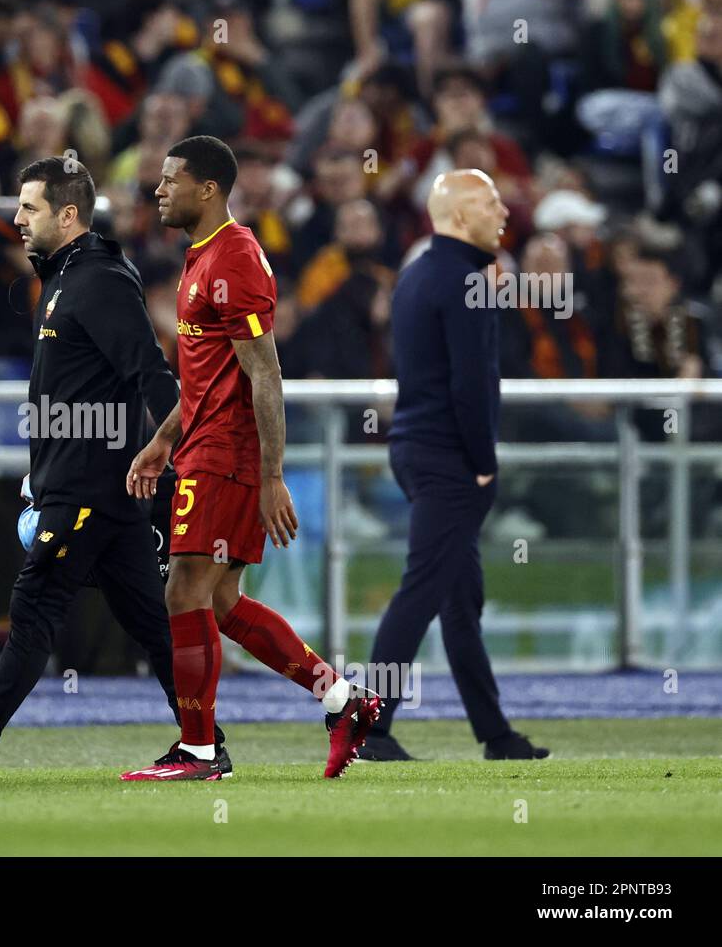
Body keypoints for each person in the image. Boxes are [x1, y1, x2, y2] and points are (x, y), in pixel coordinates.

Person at [0, 156, 230, 779]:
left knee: (34, 613)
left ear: (68, 215)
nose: (16, 219)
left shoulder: (98, 279)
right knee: (154, 626)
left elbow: (151, 374)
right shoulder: (68, 279)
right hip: (93, 490)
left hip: (86, 490)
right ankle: (206, 744)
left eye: (29, 208)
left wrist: (184, 453)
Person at [120, 135, 380, 782]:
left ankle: (200, 752)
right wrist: (162, 439)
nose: (158, 189)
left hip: (227, 456)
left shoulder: (234, 257)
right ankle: (344, 700)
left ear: (207, 189)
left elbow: (266, 374)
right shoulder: (200, 257)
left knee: (185, 591)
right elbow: (212, 379)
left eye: (170, 179)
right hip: (206, 446)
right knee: (224, 601)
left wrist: (269, 476)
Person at [360, 168, 549, 763]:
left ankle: (495, 733)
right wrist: (483, 463)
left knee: (457, 597)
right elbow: (473, 383)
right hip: (449, 459)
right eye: (492, 203)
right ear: (462, 215)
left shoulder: (416, 275)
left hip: (415, 449)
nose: (504, 214)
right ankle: (367, 726)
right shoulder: (470, 281)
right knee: (422, 592)